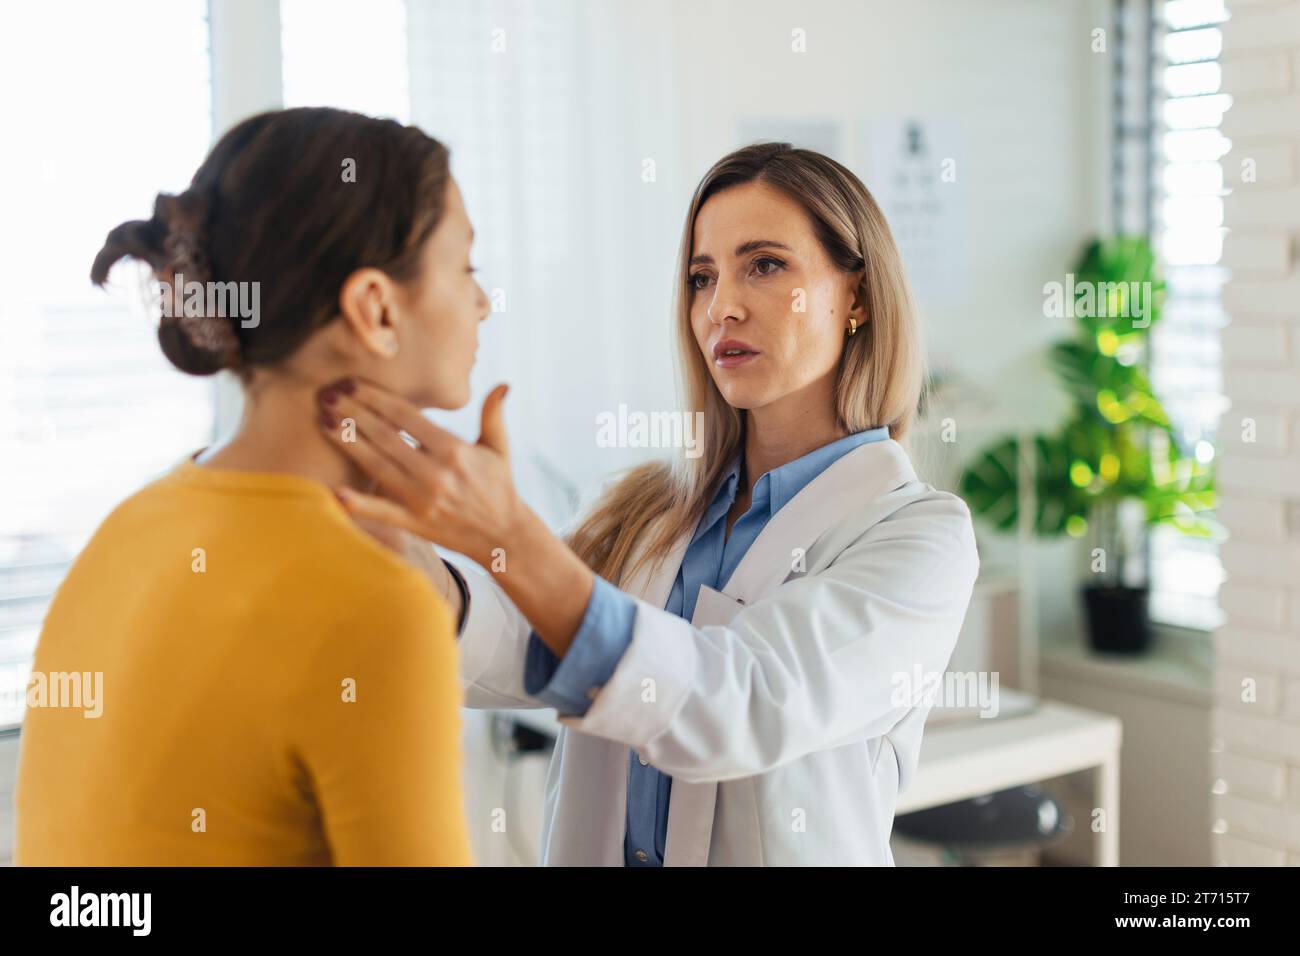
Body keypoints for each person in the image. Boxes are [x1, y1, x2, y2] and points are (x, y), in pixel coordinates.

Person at [321, 142, 981, 865]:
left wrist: (508, 532)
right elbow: (536, 642)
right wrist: (395, 533)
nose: (721, 307)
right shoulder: (654, 504)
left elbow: (739, 702)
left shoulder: (919, 537)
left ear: (856, 295)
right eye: (703, 278)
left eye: (765, 265)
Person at [15, 107, 484, 866]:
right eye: (466, 267)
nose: (482, 303)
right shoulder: (375, 610)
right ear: (375, 308)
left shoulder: (128, 529)